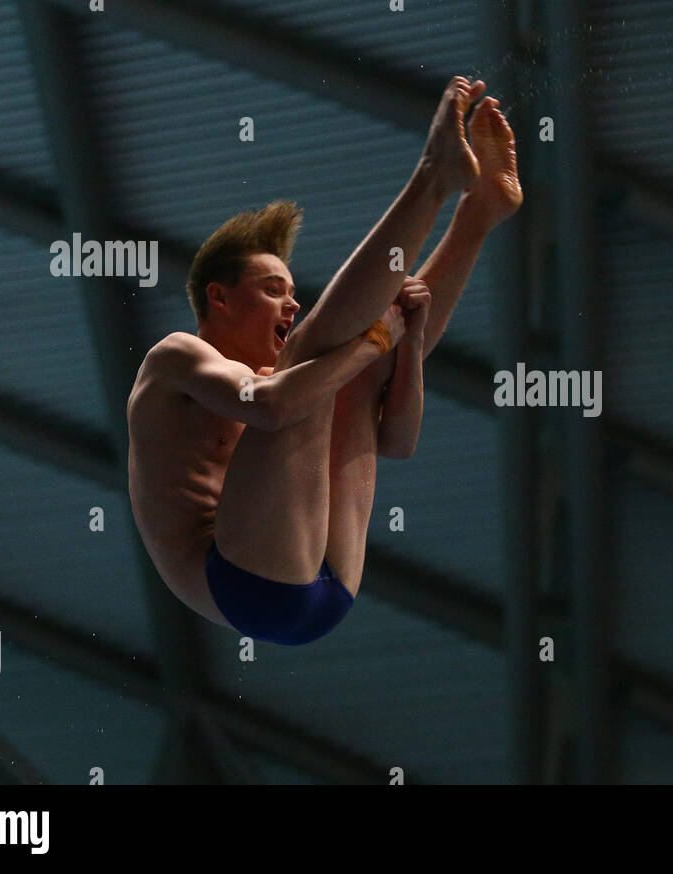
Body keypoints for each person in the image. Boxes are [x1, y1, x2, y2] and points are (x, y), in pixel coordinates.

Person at [126, 76, 522, 644]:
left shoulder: (282, 376)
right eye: (271, 291)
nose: (291, 303)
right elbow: (268, 407)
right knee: (317, 358)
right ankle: (432, 175)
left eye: (291, 292)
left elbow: (396, 441)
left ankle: (477, 213)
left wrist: (401, 343)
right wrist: (371, 342)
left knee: (348, 374)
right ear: (218, 298)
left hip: (326, 586)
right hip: (241, 584)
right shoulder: (174, 359)